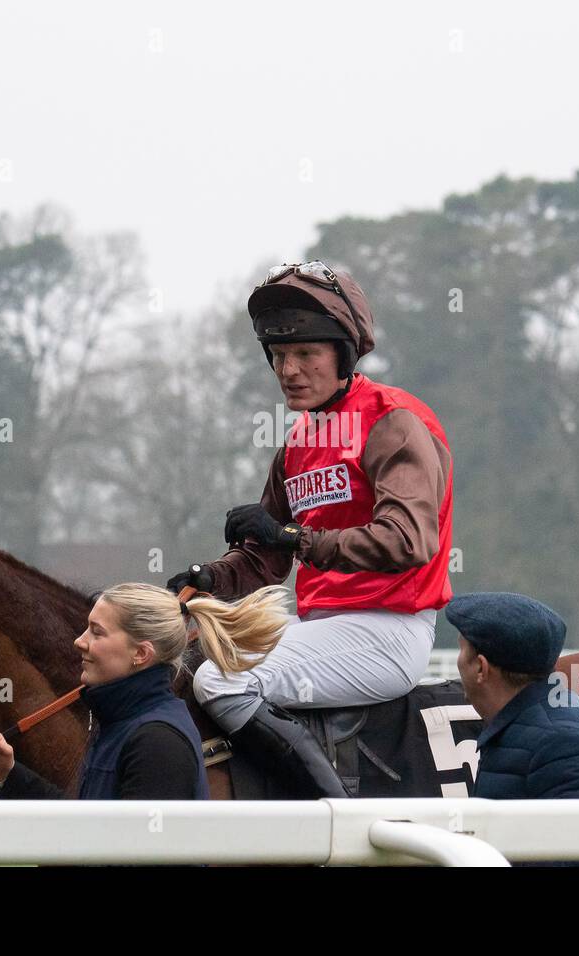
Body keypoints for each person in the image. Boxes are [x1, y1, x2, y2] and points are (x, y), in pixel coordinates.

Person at [167, 260, 454, 799]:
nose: (288, 370)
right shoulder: (296, 442)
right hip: (319, 626)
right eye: (277, 356)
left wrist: (294, 538)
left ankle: (333, 815)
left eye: (305, 354)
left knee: (220, 679)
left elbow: (409, 541)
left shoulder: (394, 422)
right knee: (184, 665)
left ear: (343, 355)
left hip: (387, 632)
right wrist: (207, 578)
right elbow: (262, 563)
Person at [0, 582, 289, 800]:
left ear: (141, 654)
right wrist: (10, 775)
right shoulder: (122, 721)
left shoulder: (156, 740)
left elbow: (104, 849)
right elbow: (87, 828)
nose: (79, 641)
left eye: (96, 632)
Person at [447, 591, 579, 867]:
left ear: (481, 668)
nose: (458, 661)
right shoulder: (534, 724)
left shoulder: (562, 745)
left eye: (462, 650)